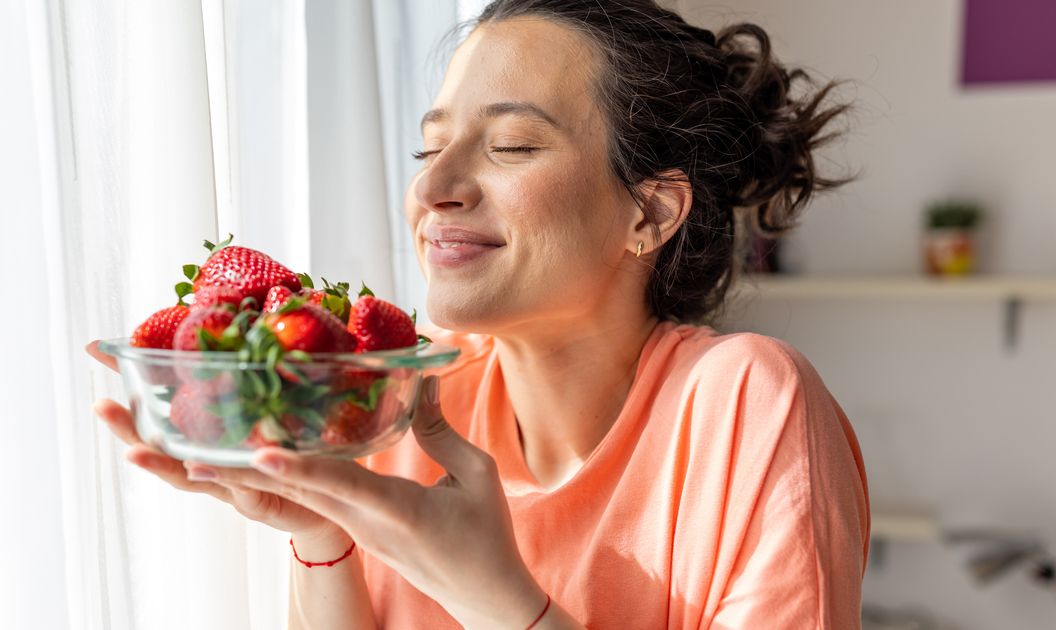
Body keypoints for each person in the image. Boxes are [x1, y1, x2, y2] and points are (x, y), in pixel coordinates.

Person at [90, 0, 869, 627]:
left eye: (512, 146)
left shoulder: (747, 401)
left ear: (650, 213)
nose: (435, 192)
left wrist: (496, 599)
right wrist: (320, 530)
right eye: (430, 151)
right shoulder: (409, 389)